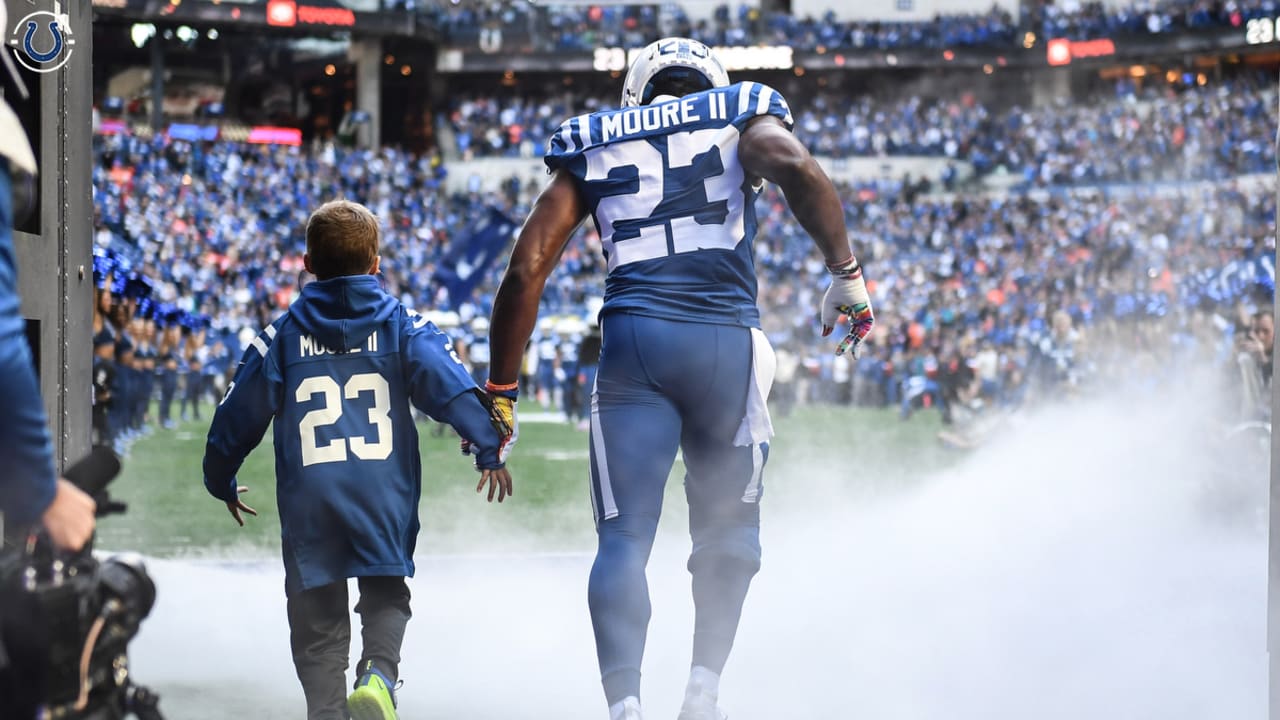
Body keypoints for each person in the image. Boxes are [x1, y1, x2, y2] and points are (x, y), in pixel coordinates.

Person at [485, 38, 874, 720]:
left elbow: (526, 270)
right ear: (711, 84)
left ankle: (626, 708)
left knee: (623, 539)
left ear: (636, 93)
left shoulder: (597, 141)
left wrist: (501, 392)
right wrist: (845, 275)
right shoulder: (741, 111)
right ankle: (702, 691)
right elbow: (793, 164)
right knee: (728, 535)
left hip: (635, 344)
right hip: (727, 343)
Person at [201, 200, 514, 720]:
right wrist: (488, 447)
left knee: (317, 622)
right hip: (381, 489)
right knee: (386, 592)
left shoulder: (279, 335)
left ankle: (327, 710)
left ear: (307, 263)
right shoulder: (402, 325)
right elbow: (452, 387)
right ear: (376, 264)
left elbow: (237, 414)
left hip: (311, 499)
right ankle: (378, 675)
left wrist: (221, 478)